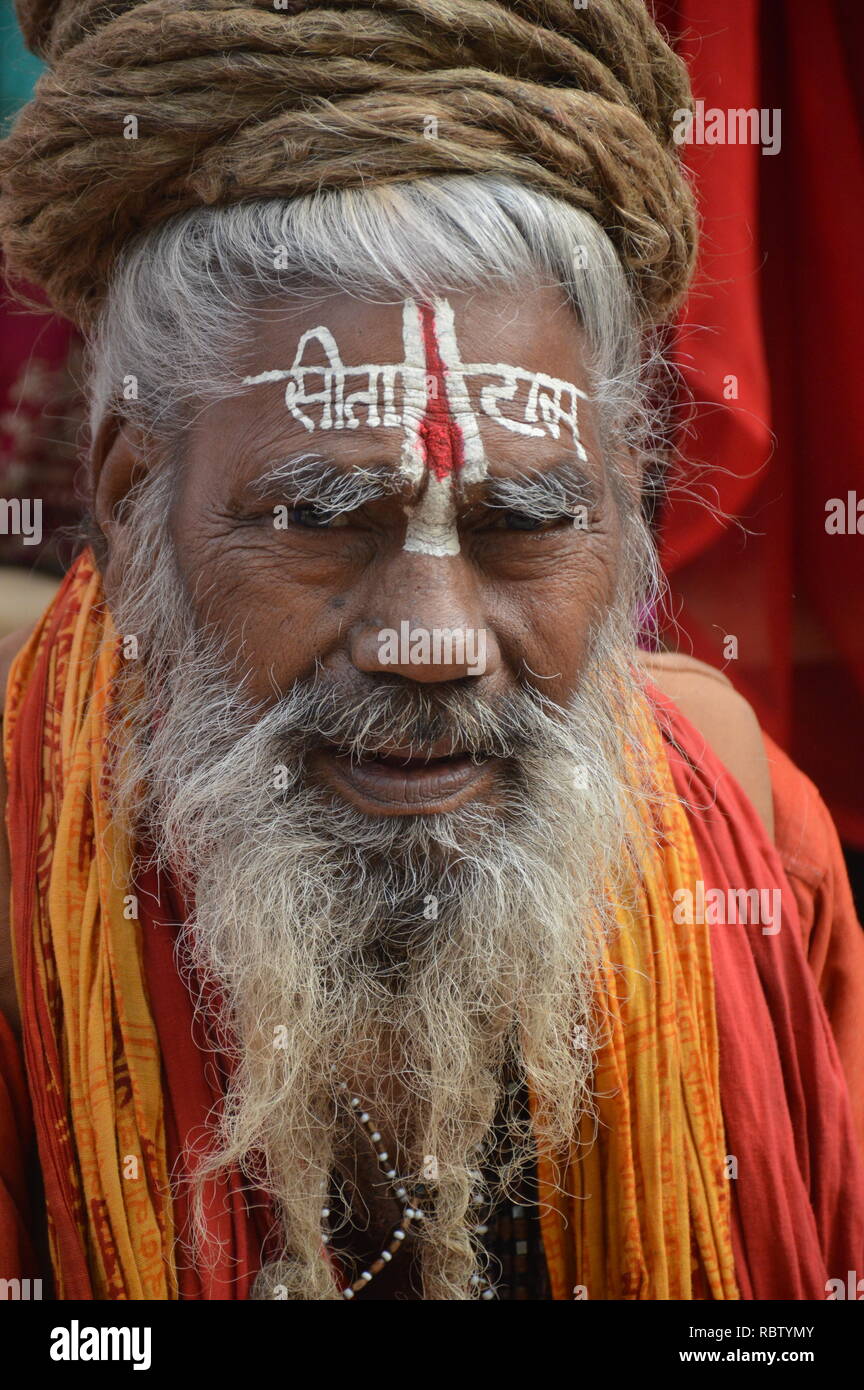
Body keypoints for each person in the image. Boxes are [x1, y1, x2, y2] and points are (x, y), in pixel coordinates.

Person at [0, 0, 861, 1302]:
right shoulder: (18, 904)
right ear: (129, 502)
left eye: (522, 524)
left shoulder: (752, 844)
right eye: (324, 519)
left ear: (626, 500)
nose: (431, 638)